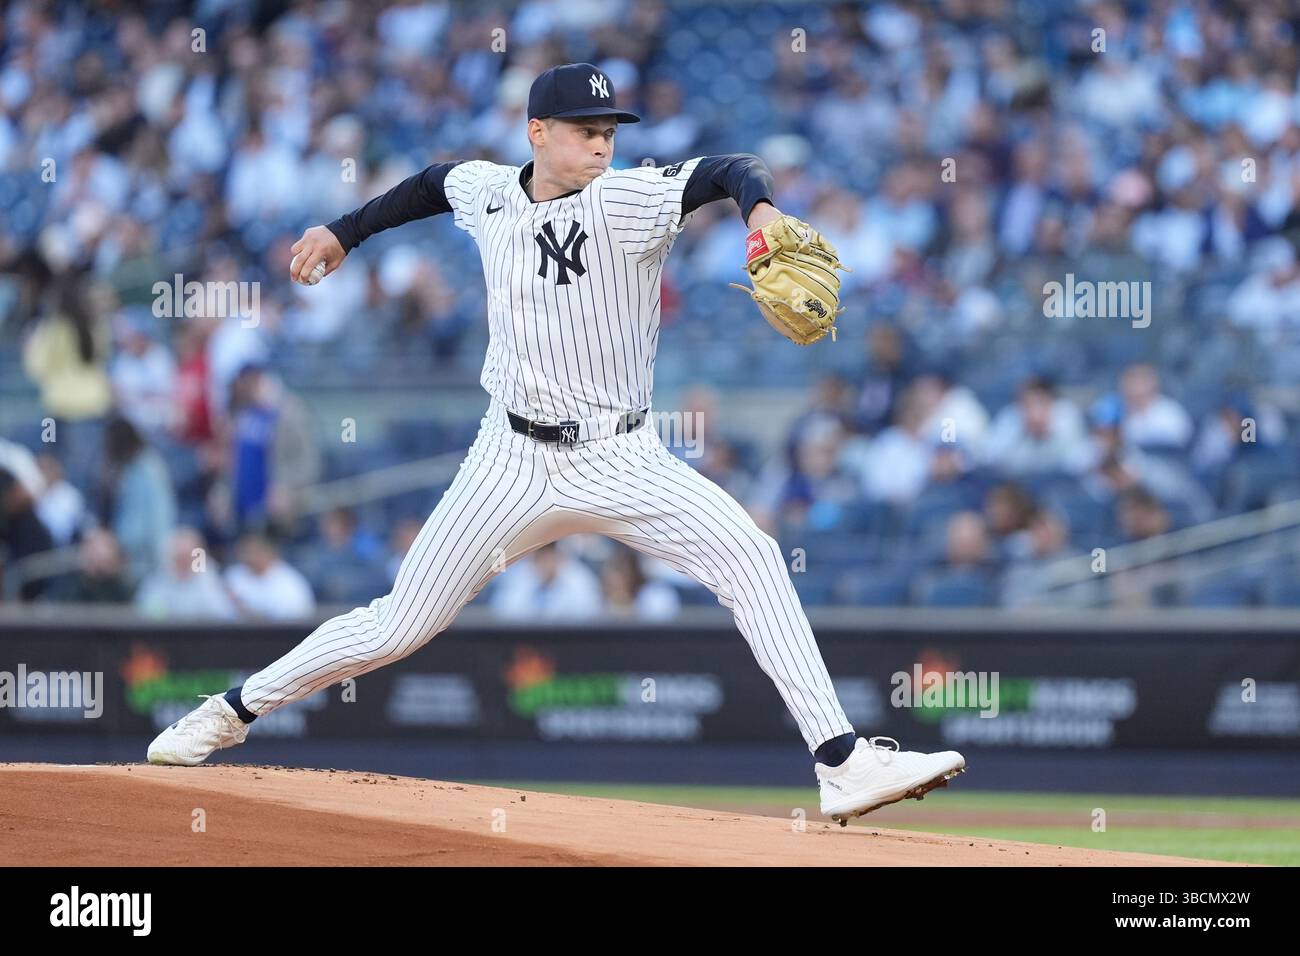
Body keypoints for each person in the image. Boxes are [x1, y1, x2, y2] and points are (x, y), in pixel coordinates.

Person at [147, 63, 964, 825]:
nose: (602, 142)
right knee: (400, 625)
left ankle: (841, 763)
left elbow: (728, 167)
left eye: (609, 128)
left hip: (623, 457)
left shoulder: (630, 199)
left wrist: (761, 213)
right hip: (509, 459)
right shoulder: (490, 192)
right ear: (537, 132)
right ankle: (230, 712)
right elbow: (432, 185)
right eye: (584, 128)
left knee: (752, 559)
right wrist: (344, 230)